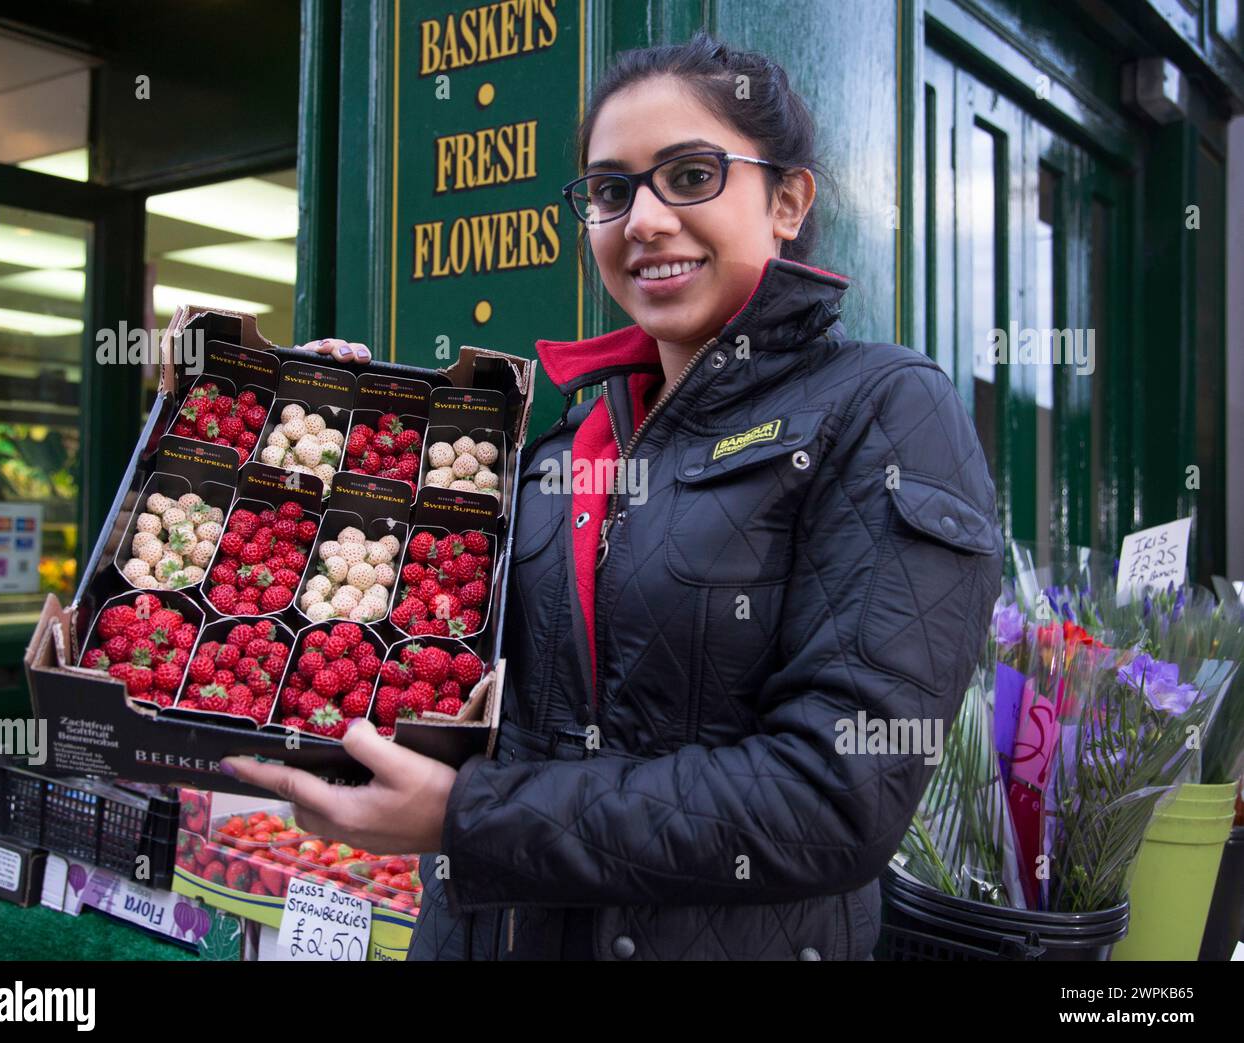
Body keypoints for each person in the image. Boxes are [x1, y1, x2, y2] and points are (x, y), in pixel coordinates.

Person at [223, 32, 1003, 960]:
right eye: (610, 189)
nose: (643, 219)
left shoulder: (882, 409)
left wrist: (472, 818)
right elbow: (422, 666)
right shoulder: (567, 443)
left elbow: (833, 799)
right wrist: (324, 449)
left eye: (690, 174)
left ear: (788, 200)